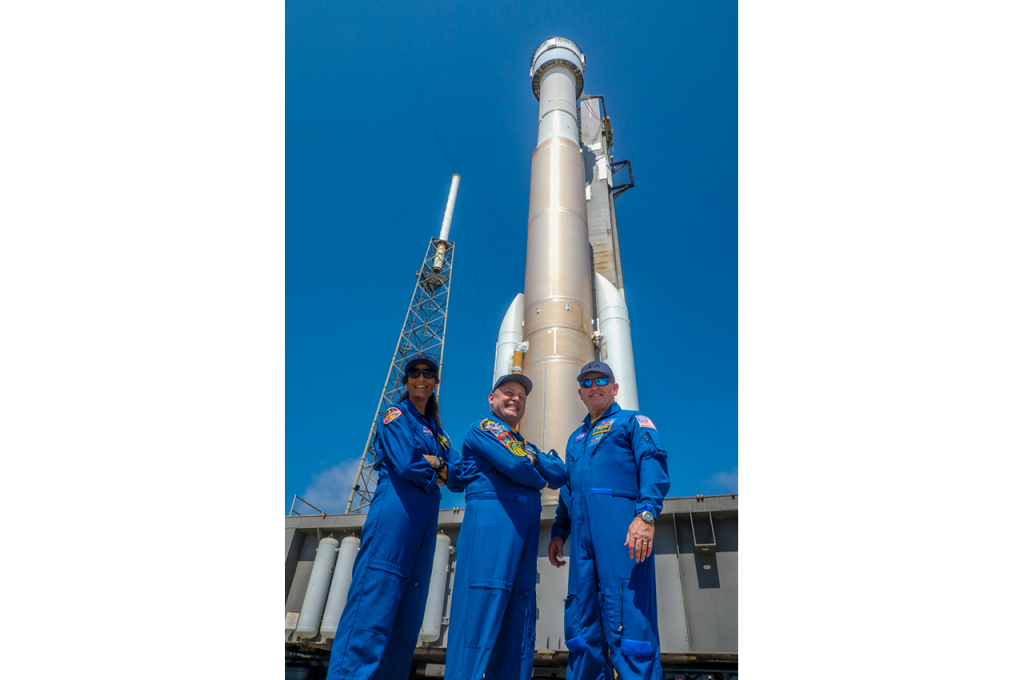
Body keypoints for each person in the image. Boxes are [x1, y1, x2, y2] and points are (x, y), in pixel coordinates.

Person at [325, 353, 458, 680]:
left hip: (426, 522)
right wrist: (435, 467)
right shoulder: (396, 414)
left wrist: (436, 463)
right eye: (414, 373)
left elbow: (458, 475)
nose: (421, 379)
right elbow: (405, 463)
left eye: (428, 374)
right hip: (396, 510)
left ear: (436, 382)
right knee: (374, 604)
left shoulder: (439, 434)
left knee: (406, 618)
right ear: (406, 380)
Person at [546, 360, 671, 680]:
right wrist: (560, 532)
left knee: (628, 620)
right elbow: (568, 491)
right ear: (579, 393)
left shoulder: (633, 422)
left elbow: (653, 466)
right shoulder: (575, 439)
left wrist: (645, 515)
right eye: (586, 383)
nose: (594, 386)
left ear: (615, 388)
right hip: (583, 542)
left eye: (601, 380)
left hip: (622, 535)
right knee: (581, 624)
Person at [444, 373, 568, 680]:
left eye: (521, 396)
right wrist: (537, 466)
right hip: (492, 526)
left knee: (519, 625)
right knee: (478, 619)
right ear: (492, 398)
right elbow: (521, 468)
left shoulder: (522, 444)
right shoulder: (483, 429)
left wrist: (533, 461)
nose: (515, 398)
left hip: (522, 534)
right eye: (508, 393)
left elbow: (560, 474)